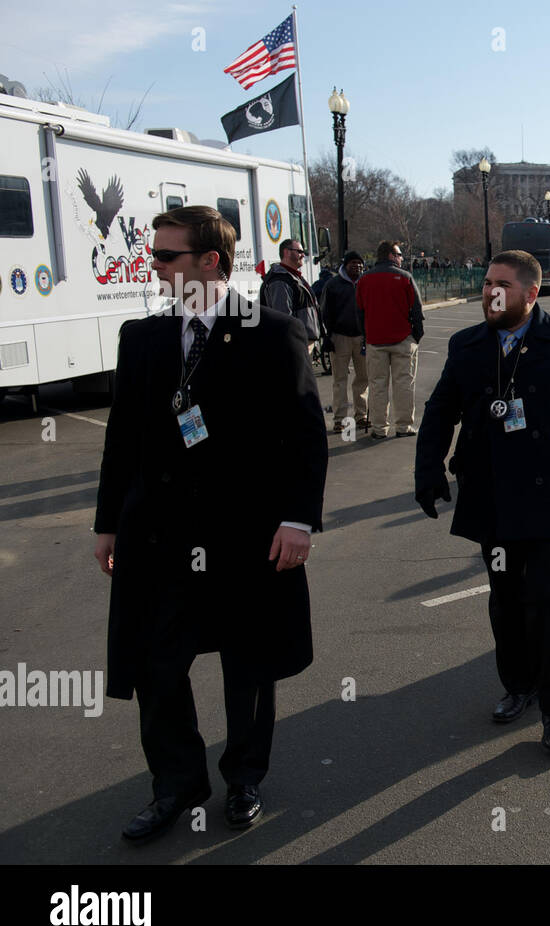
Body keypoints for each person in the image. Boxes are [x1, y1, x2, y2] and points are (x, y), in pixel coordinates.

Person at [93, 205, 327, 843]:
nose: (154, 264)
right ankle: (175, 785)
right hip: (159, 538)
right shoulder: (141, 338)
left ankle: (244, 776)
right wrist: (107, 523)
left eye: (166, 256)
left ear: (209, 263)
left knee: (248, 666)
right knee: (156, 668)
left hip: (244, 536)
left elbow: (305, 439)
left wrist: (298, 521)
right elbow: (122, 441)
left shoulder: (272, 333)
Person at [414, 250, 550, 753]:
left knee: (547, 599)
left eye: (501, 284)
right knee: (505, 598)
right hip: (492, 497)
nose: (490, 292)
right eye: (486, 282)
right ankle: (518, 685)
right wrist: (428, 469)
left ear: (532, 292)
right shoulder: (467, 345)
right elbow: (441, 411)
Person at [356, 240, 423, 439]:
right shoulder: (404, 277)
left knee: (377, 386)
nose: (402, 258)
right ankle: (403, 426)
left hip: (375, 341)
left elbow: (359, 311)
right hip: (402, 338)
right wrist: (416, 335)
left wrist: (366, 335)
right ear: (392, 256)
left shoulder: (364, 279)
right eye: (400, 254)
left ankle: (379, 428)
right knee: (404, 384)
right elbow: (417, 310)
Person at [320, 250, 369, 433]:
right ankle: (340, 419)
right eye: (352, 263)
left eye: (359, 263)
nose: (356, 266)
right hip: (339, 337)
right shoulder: (333, 285)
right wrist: (327, 336)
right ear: (345, 265)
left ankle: (361, 415)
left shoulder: (365, 283)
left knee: (363, 379)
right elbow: (324, 312)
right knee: (340, 380)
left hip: (362, 337)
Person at [259, 238, 321, 344]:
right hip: (295, 344)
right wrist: (294, 345)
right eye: (300, 252)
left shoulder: (293, 276)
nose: (303, 255)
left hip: (304, 341)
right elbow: (283, 319)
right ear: (286, 252)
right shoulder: (280, 281)